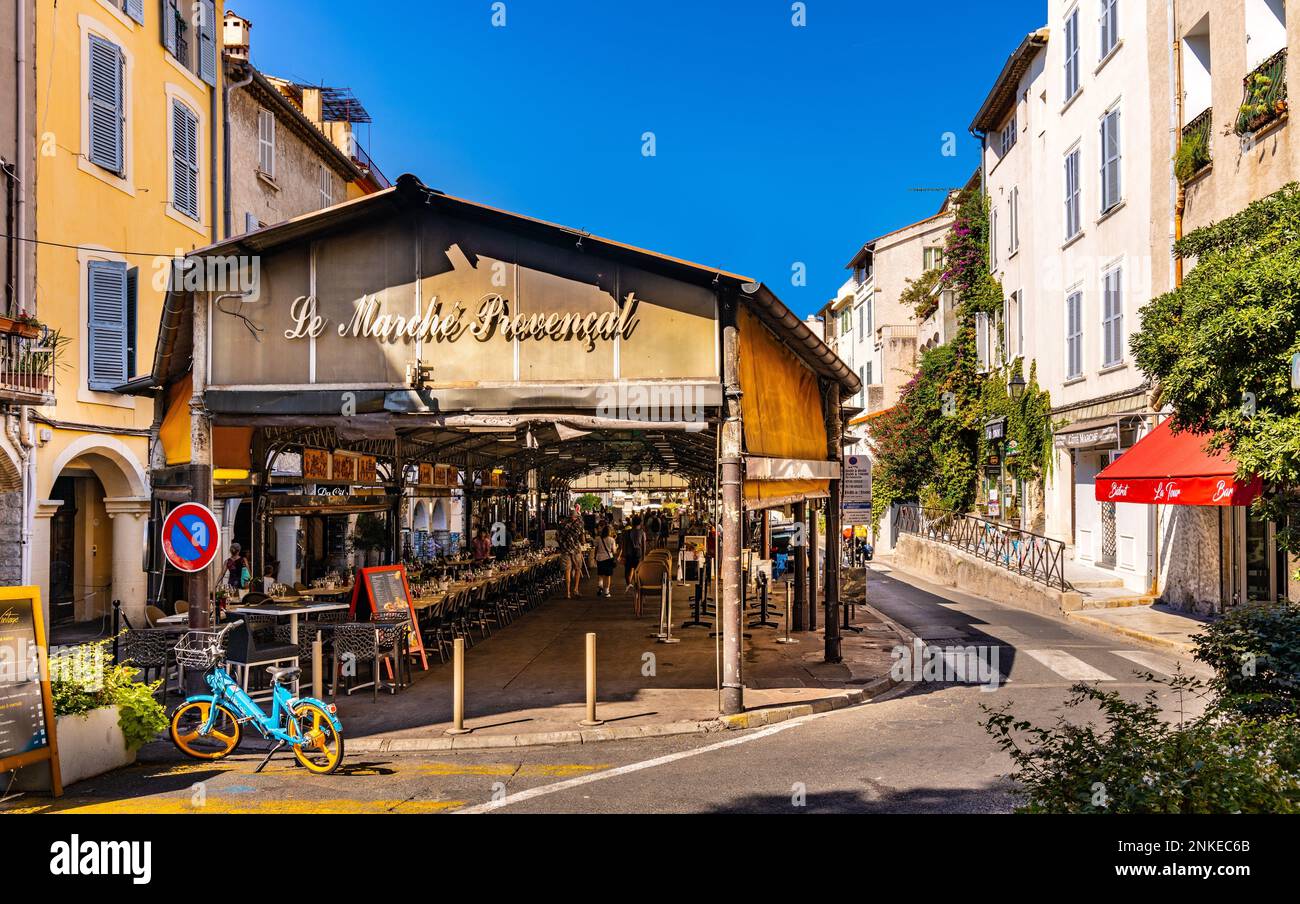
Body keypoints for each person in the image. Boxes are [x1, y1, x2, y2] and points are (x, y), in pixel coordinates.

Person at [558, 512, 586, 599]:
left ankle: (568, 593)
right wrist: (582, 542)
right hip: (576, 549)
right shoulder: (579, 525)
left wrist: (563, 544)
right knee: (578, 569)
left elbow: (557, 537)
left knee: (567, 570)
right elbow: (583, 539)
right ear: (576, 517)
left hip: (565, 550)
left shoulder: (562, 525)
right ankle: (576, 589)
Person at [619, 514, 646, 592]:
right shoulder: (642, 533)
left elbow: (624, 545)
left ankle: (628, 584)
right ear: (640, 523)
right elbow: (643, 546)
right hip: (638, 554)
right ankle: (637, 585)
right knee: (638, 571)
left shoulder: (626, 532)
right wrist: (643, 557)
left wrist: (623, 555)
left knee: (627, 570)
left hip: (628, 554)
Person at [593, 525, 618, 598]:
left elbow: (596, 549)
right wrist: (616, 546)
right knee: (607, 576)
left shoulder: (598, 538)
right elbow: (614, 551)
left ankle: (600, 586)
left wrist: (595, 557)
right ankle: (606, 592)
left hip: (599, 558)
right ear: (610, 532)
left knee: (600, 574)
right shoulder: (612, 540)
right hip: (608, 559)